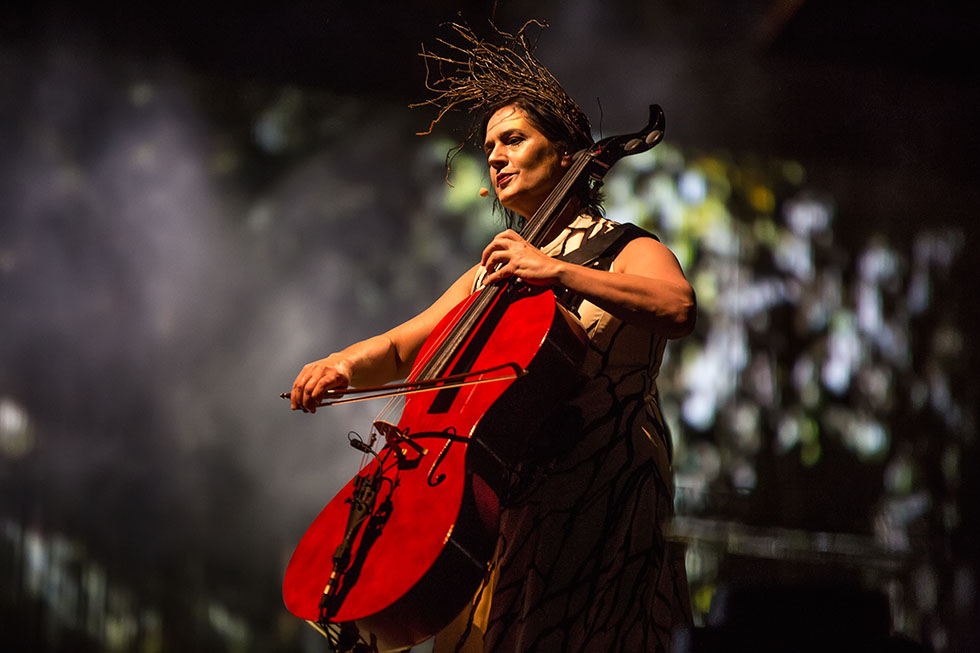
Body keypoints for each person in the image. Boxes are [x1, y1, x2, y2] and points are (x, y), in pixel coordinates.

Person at [290, 22, 695, 653]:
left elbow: (677, 307)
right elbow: (403, 349)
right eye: (489, 148)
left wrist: (557, 271)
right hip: (513, 501)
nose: (496, 157)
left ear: (566, 154)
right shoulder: (494, 271)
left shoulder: (623, 246)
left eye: (513, 139)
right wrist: (341, 363)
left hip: (608, 494)